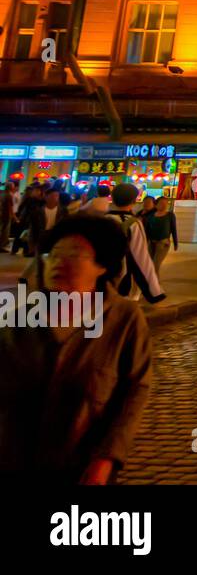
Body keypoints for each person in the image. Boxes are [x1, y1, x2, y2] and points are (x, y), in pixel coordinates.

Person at [2, 215, 151, 484]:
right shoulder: (15, 319)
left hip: (82, 469)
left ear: (101, 266)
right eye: (54, 253)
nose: (60, 262)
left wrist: (105, 459)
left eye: (75, 254)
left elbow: (135, 392)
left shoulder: (124, 319)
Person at [106, 184, 166, 303]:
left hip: (97, 278)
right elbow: (141, 258)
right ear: (134, 201)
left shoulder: (101, 219)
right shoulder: (133, 224)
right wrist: (154, 291)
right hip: (120, 279)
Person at [143, 195, 179, 278]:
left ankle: (155, 285)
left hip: (163, 243)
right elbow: (147, 231)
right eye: (162, 203)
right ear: (156, 205)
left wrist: (175, 243)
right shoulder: (151, 216)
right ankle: (151, 282)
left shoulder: (170, 215)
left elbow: (173, 229)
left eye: (166, 203)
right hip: (151, 242)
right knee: (149, 263)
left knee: (156, 264)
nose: (165, 205)